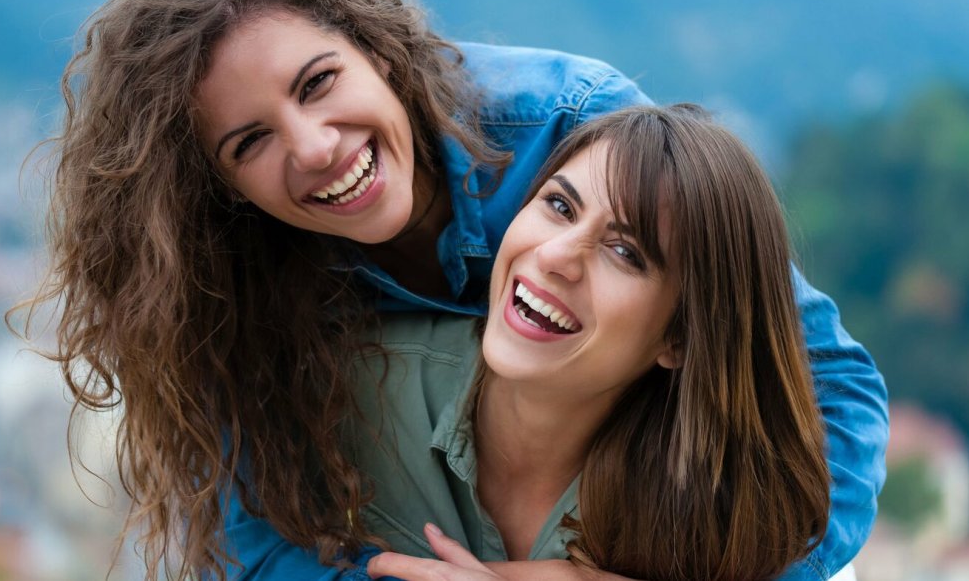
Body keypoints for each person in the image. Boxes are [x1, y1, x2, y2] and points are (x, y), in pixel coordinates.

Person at [13, 0, 886, 581]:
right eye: (251, 142)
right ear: (224, 192)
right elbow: (257, 537)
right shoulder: (236, 286)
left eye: (319, 83)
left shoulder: (575, 132)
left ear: (380, 52)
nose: (314, 146)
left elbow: (830, 392)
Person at [341, 104, 830, 581]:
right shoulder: (350, 388)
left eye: (624, 252)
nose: (555, 256)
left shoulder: (719, 510)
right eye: (560, 206)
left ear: (680, 338)